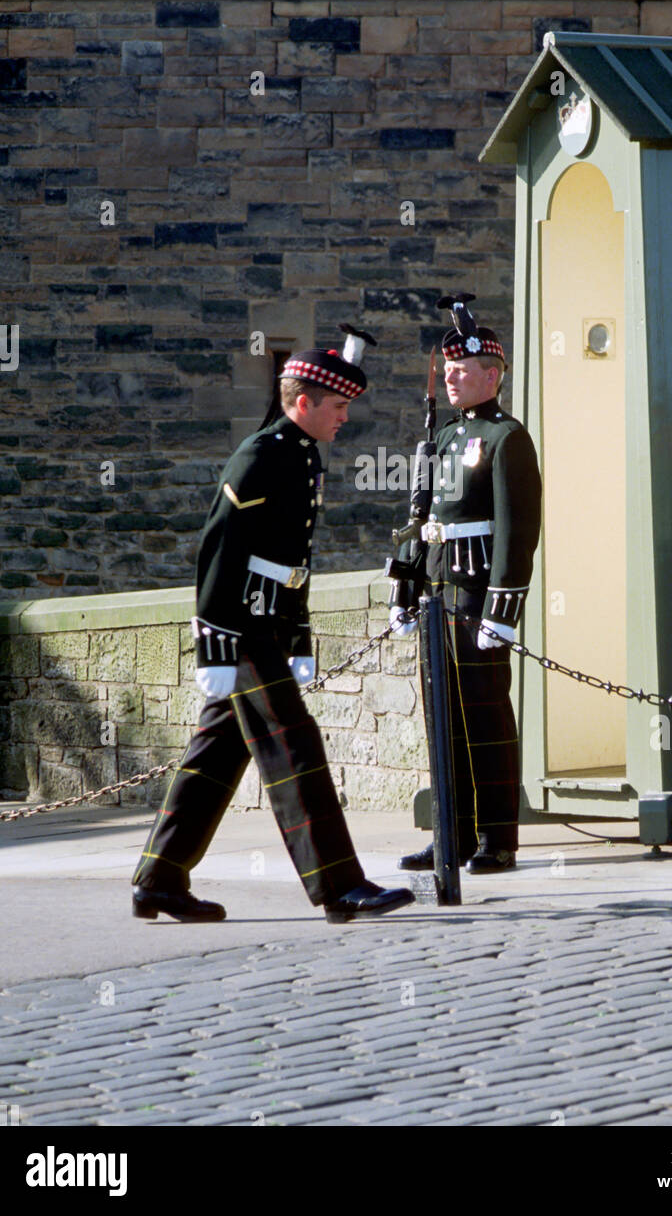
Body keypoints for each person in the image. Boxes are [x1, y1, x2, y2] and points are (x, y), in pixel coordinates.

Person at [131, 328, 414, 924]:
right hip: (242, 631)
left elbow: (292, 561)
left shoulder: (301, 454)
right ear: (303, 402)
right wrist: (213, 645)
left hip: (268, 627)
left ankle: (159, 878)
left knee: (215, 754)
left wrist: (301, 635)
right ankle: (340, 886)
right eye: (338, 407)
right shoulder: (261, 455)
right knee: (294, 746)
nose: (344, 419)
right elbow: (220, 550)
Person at [390, 296, 542, 873]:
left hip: (477, 596)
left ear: (492, 375)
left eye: (462, 371)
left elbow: (516, 530)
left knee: (485, 716)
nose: (451, 378)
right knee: (443, 718)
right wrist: (405, 588)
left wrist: (502, 610)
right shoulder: (445, 438)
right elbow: (420, 517)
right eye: (448, 370)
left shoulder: (507, 440)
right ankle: (449, 833)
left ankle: (497, 838)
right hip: (437, 594)